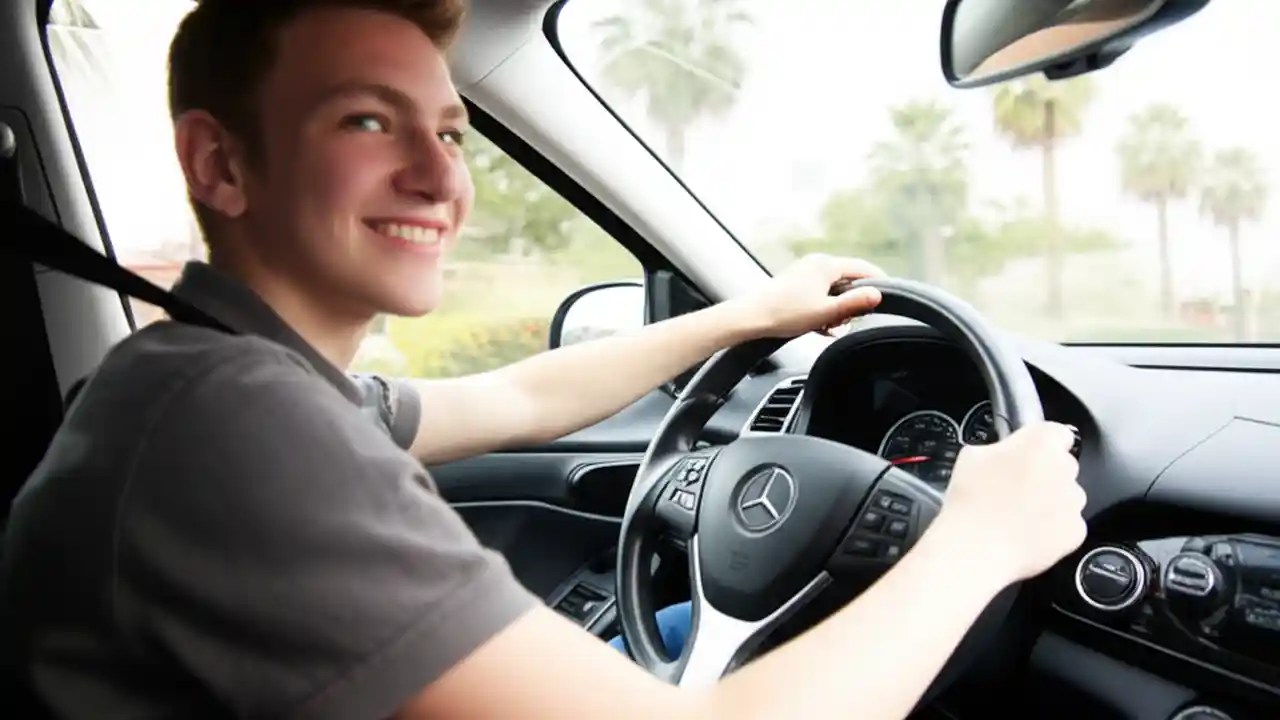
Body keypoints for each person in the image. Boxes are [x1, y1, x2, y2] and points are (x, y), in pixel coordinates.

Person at [1, 1, 1088, 718]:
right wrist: (980, 538)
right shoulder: (231, 426)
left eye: (451, 131)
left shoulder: (237, 382)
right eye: (368, 123)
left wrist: (739, 317)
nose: (440, 177)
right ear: (220, 163)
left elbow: (517, 395)